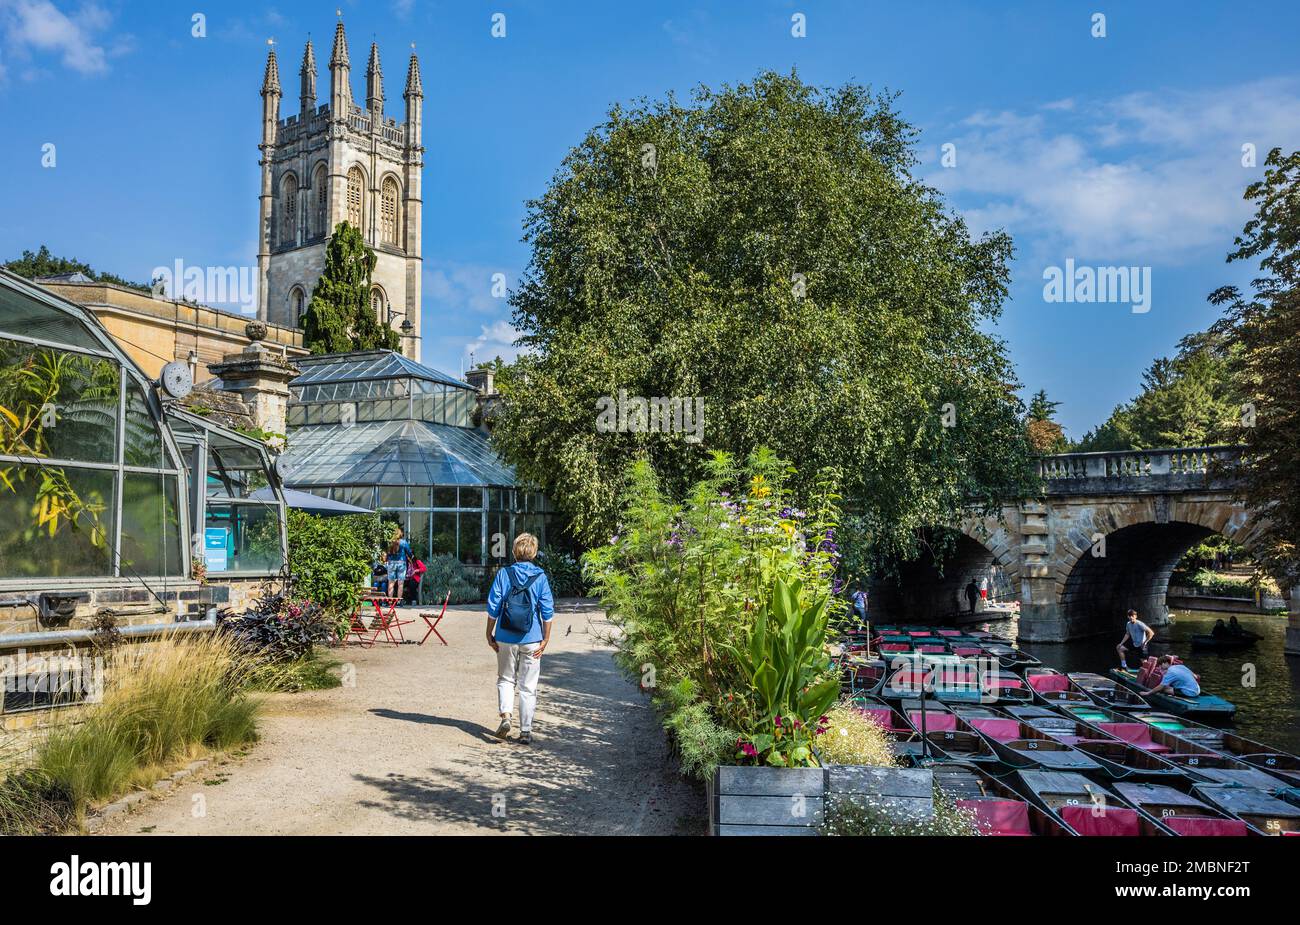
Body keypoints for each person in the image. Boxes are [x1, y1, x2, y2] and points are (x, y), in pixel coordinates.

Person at [485, 533, 555, 745]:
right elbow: (547, 611)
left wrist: (489, 633)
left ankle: (506, 717)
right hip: (532, 638)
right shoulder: (540, 577)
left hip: (505, 636)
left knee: (506, 679)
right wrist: (545, 639)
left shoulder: (504, 574)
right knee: (528, 686)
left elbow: (493, 606)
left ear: (515, 551)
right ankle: (525, 731)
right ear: (534, 552)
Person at [385, 527, 412, 601]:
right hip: (401, 563)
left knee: (391, 583)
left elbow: (387, 553)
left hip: (391, 563)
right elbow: (409, 552)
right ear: (400, 534)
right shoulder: (403, 542)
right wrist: (410, 557)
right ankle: (399, 601)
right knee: (400, 584)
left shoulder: (390, 542)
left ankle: (390, 601)